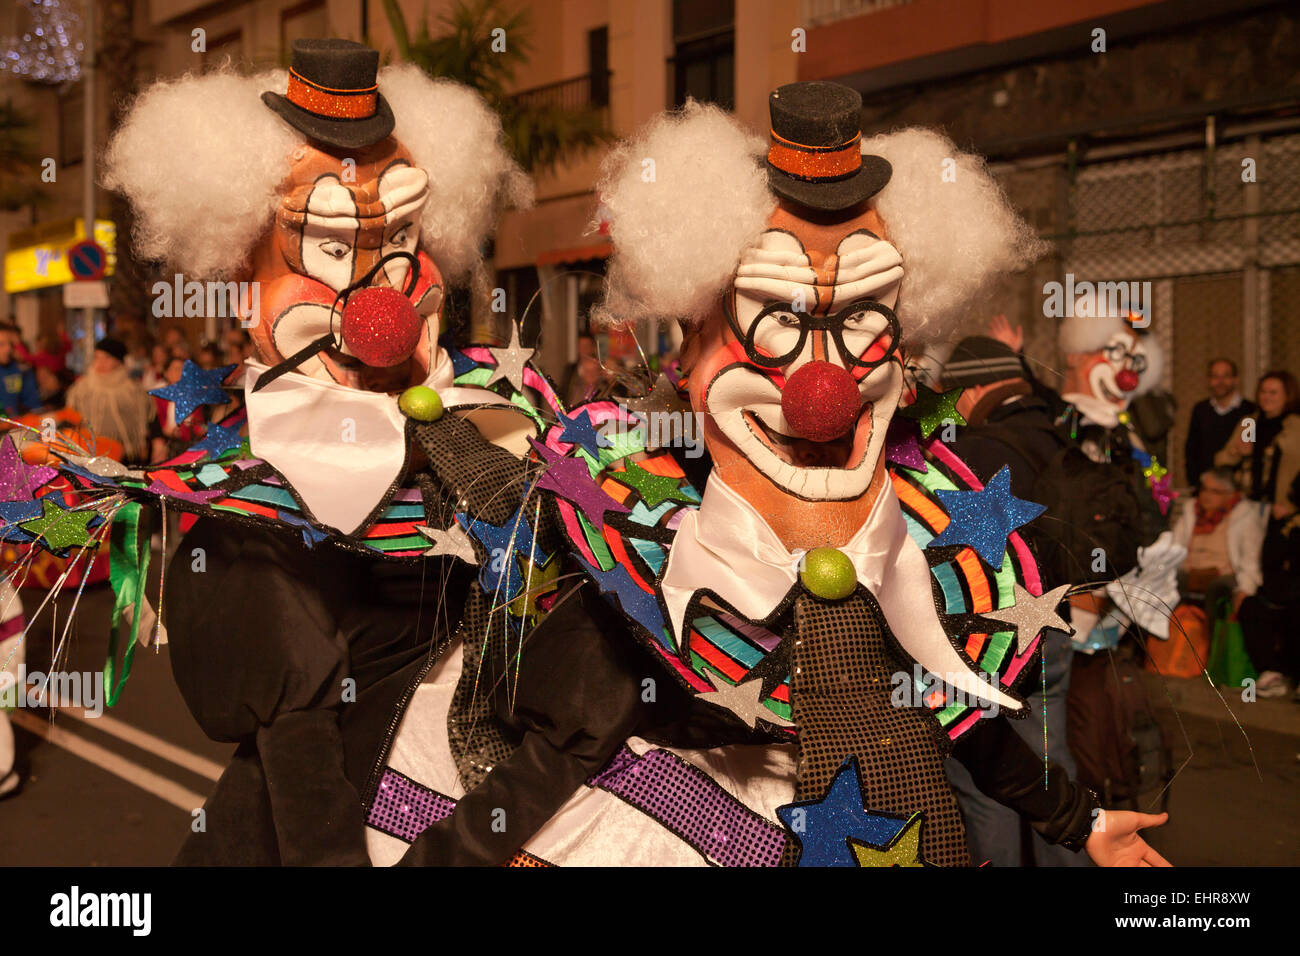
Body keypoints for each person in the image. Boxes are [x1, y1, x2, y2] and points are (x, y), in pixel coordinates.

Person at [1170, 466, 1264, 615]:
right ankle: (1172, 634)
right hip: (1191, 571)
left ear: (1229, 494)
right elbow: (1175, 546)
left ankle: (1210, 636)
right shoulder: (1191, 511)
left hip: (1225, 573)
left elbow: (1250, 559)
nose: (1206, 495)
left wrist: (1246, 588)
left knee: (1218, 588)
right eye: (1204, 489)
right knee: (1167, 581)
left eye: (1215, 491)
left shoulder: (1244, 516)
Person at [64, 337, 161, 464]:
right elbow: (70, 416)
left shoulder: (133, 390)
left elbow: (148, 418)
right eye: (97, 357)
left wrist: (157, 443)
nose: (101, 363)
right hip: (88, 455)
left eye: (107, 358)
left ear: (118, 361)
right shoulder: (81, 389)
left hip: (126, 456)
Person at [1184, 358, 1255, 487]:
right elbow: (1192, 450)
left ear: (1235, 379)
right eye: (1215, 376)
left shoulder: (1249, 410)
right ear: (1209, 381)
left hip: (1236, 488)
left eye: (1226, 376)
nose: (1220, 382)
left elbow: (1246, 450)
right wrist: (1196, 482)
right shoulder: (1201, 410)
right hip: (1205, 486)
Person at [0, 324, 41, 417]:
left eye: (10, 344)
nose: (8, 349)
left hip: (16, 427)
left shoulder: (22, 370)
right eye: (1, 344)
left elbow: (34, 406)